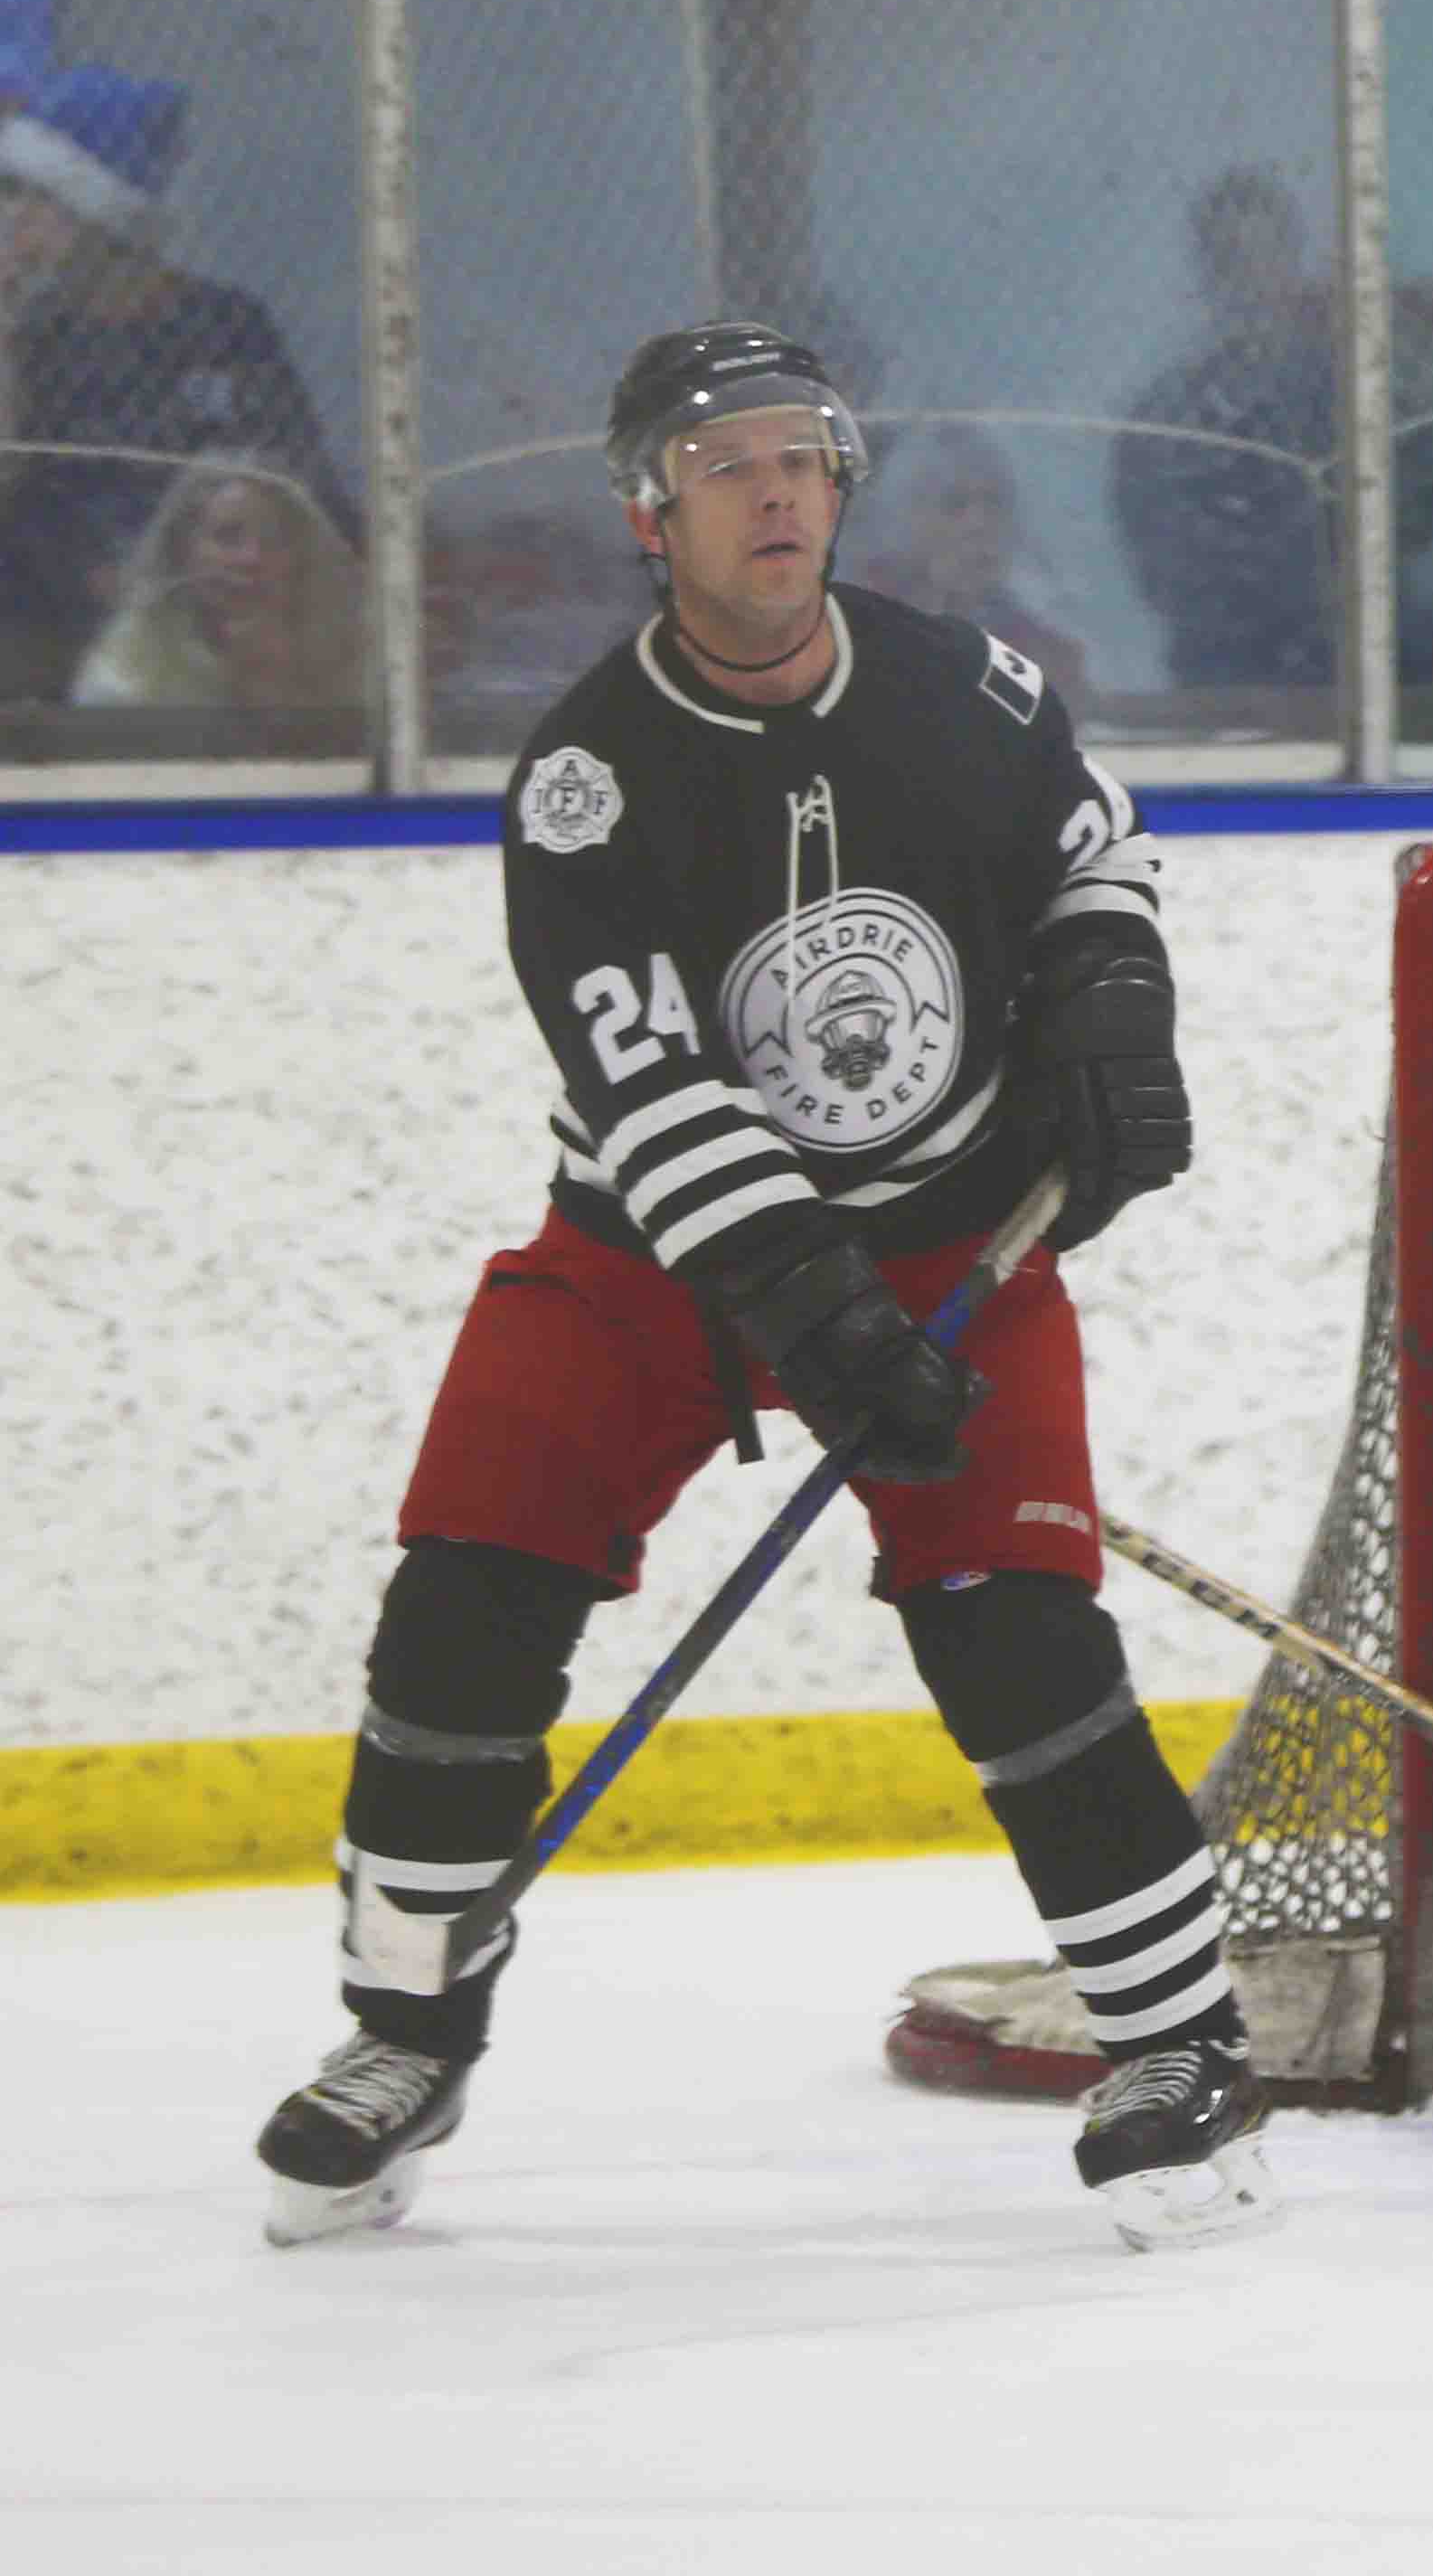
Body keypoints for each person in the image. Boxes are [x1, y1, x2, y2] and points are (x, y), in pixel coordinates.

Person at [248, 320, 1261, 2252]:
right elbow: (649, 1084)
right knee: (463, 1612)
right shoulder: (587, 781)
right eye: (727, 463)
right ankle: (403, 2033)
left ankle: (1179, 2044)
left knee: (1017, 1637)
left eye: (802, 454)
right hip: (650, 1261)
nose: (777, 487)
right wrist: (812, 1307)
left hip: (958, 1237)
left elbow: (1090, 849)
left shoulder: (963, 680)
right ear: (652, 514)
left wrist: (1116, 1011)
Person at [0, 65, 357, 703]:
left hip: (220, 619)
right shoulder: (33, 341)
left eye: (37, 200)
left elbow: (291, 472)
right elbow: (24, 498)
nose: (18, 224)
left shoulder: (225, 328)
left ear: (96, 214)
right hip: (62, 626)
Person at [1111, 165, 1336, 696]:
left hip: (1339, 672)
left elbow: (1410, 526)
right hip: (1217, 675)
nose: (1250, 281)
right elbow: (1151, 550)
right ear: (1206, 277)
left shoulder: (1354, 398)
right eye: (1230, 262)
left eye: (1264, 256)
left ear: (1293, 263)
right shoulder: (1165, 414)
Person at [65, 451, 360, 714]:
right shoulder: (126, 672)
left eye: (273, 540)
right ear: (182, 548)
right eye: (228, 537)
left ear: (300, 558)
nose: (251, 559)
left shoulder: (349, 663)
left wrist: (275, 685)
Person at [865, 423, 1094, 709]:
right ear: (906, 518)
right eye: (954, 504)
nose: (978, 524)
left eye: (994, 504)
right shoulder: (853, 631)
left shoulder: (1049, 660)